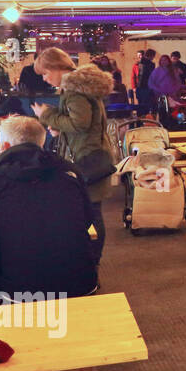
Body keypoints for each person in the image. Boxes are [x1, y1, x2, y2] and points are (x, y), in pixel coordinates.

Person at [0, 115, 99, 298]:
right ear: (41, 143)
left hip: (21, 286)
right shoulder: (68, 170)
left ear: (5, 146)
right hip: (81, 282)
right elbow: (88, 218)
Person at [31, 47, 114, 268]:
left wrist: (47, 115)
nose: (45, 78)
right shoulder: (81, 86)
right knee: (91, 210)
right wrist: (60, 128)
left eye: (45, 73)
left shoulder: (74, 90)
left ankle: (92, 263)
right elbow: (83, 123)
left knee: (92, 212)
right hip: (93, 152)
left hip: (87, 157)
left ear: (56, 67)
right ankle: (89, 261)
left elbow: (80, 123)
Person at [135, 48, 156, 115]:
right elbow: (150, 76)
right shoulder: (150, 64)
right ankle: (144, 120)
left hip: (140, 87)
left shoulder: (140, 63)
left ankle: (139, 121)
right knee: (145, 106)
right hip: (146, 87)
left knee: (140, 105)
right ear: (151, 55)